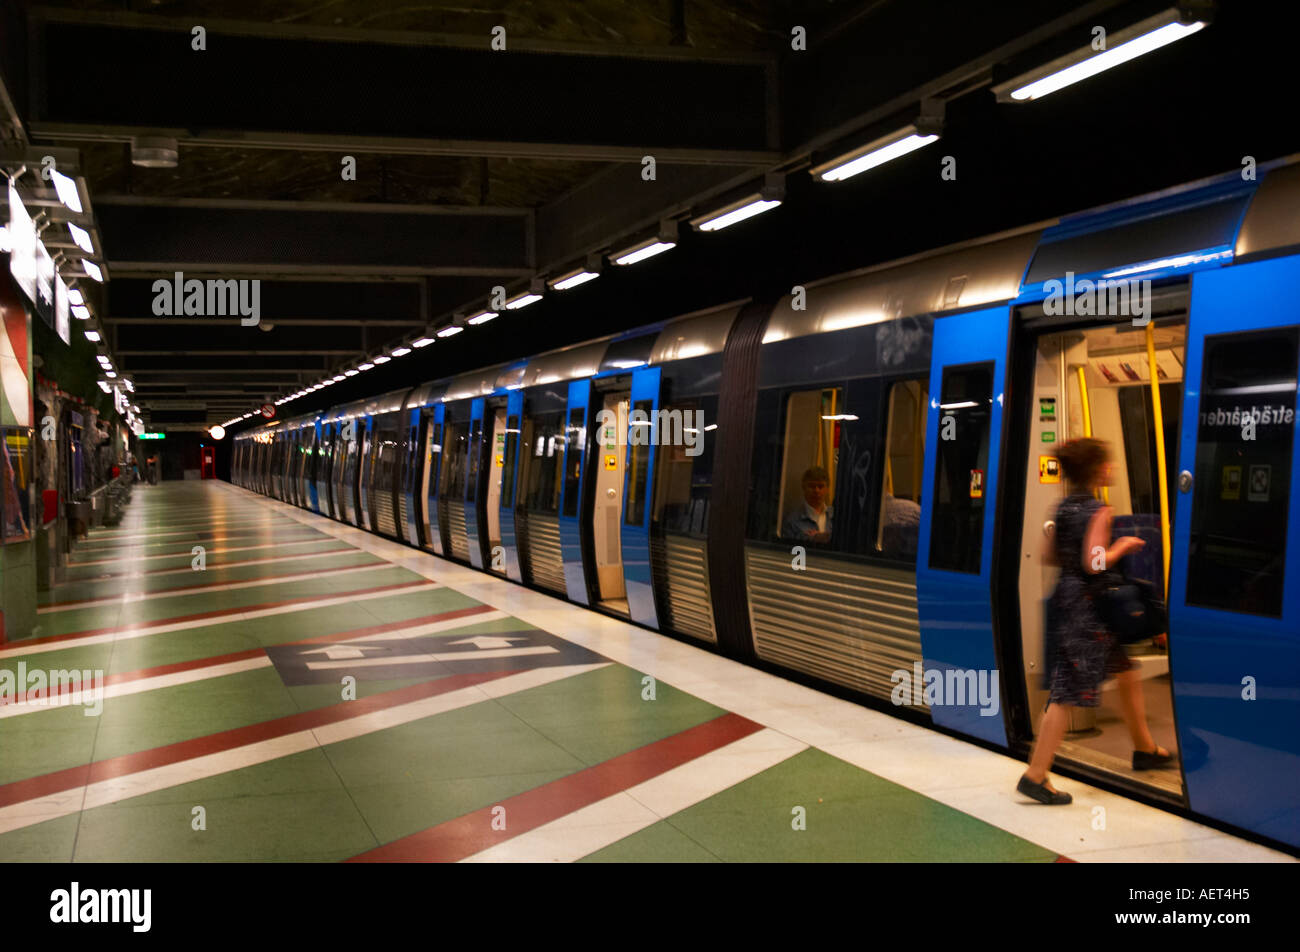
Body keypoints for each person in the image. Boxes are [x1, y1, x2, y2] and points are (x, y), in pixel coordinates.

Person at [1018, 438, 1175, 805]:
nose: (1112, 468)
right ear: (1097, 470)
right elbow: (1095, 563)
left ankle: (1144, 748)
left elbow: (1049, 556)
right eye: (1107, 464)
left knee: (1126, 671)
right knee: (1067, 692)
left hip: (1071, 601)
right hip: (1091, 609)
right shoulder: (1098, 511)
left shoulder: (1063, 507)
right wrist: (1122, 547)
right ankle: (1036, 774)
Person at [782, 466, 833, 543]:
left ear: (827, 489)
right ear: (804, 488)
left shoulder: (836, 516)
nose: (816, 491)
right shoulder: (793, 520)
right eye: (812, 486)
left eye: (820, 486)